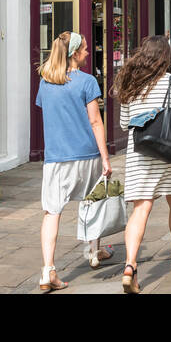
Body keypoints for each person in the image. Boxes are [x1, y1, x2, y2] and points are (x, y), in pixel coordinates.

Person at [115, 36, 171, 293]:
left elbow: (123, 124)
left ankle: (130, 266)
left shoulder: (130, 86)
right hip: (170, 153)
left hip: (140, 154)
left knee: (140, 209)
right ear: (165, 57)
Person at [34, 31, 112, 292]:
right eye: (85, 49)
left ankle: (48, 271)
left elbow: (51, 114)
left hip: (56, 157)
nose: (88, 53)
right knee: (93, 204)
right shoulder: (87, 81)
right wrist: (105, 156)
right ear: (75, 54)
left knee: (51, 213)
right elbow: (95, 121)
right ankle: (92, 252)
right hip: (86, 154)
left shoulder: (45, 82)